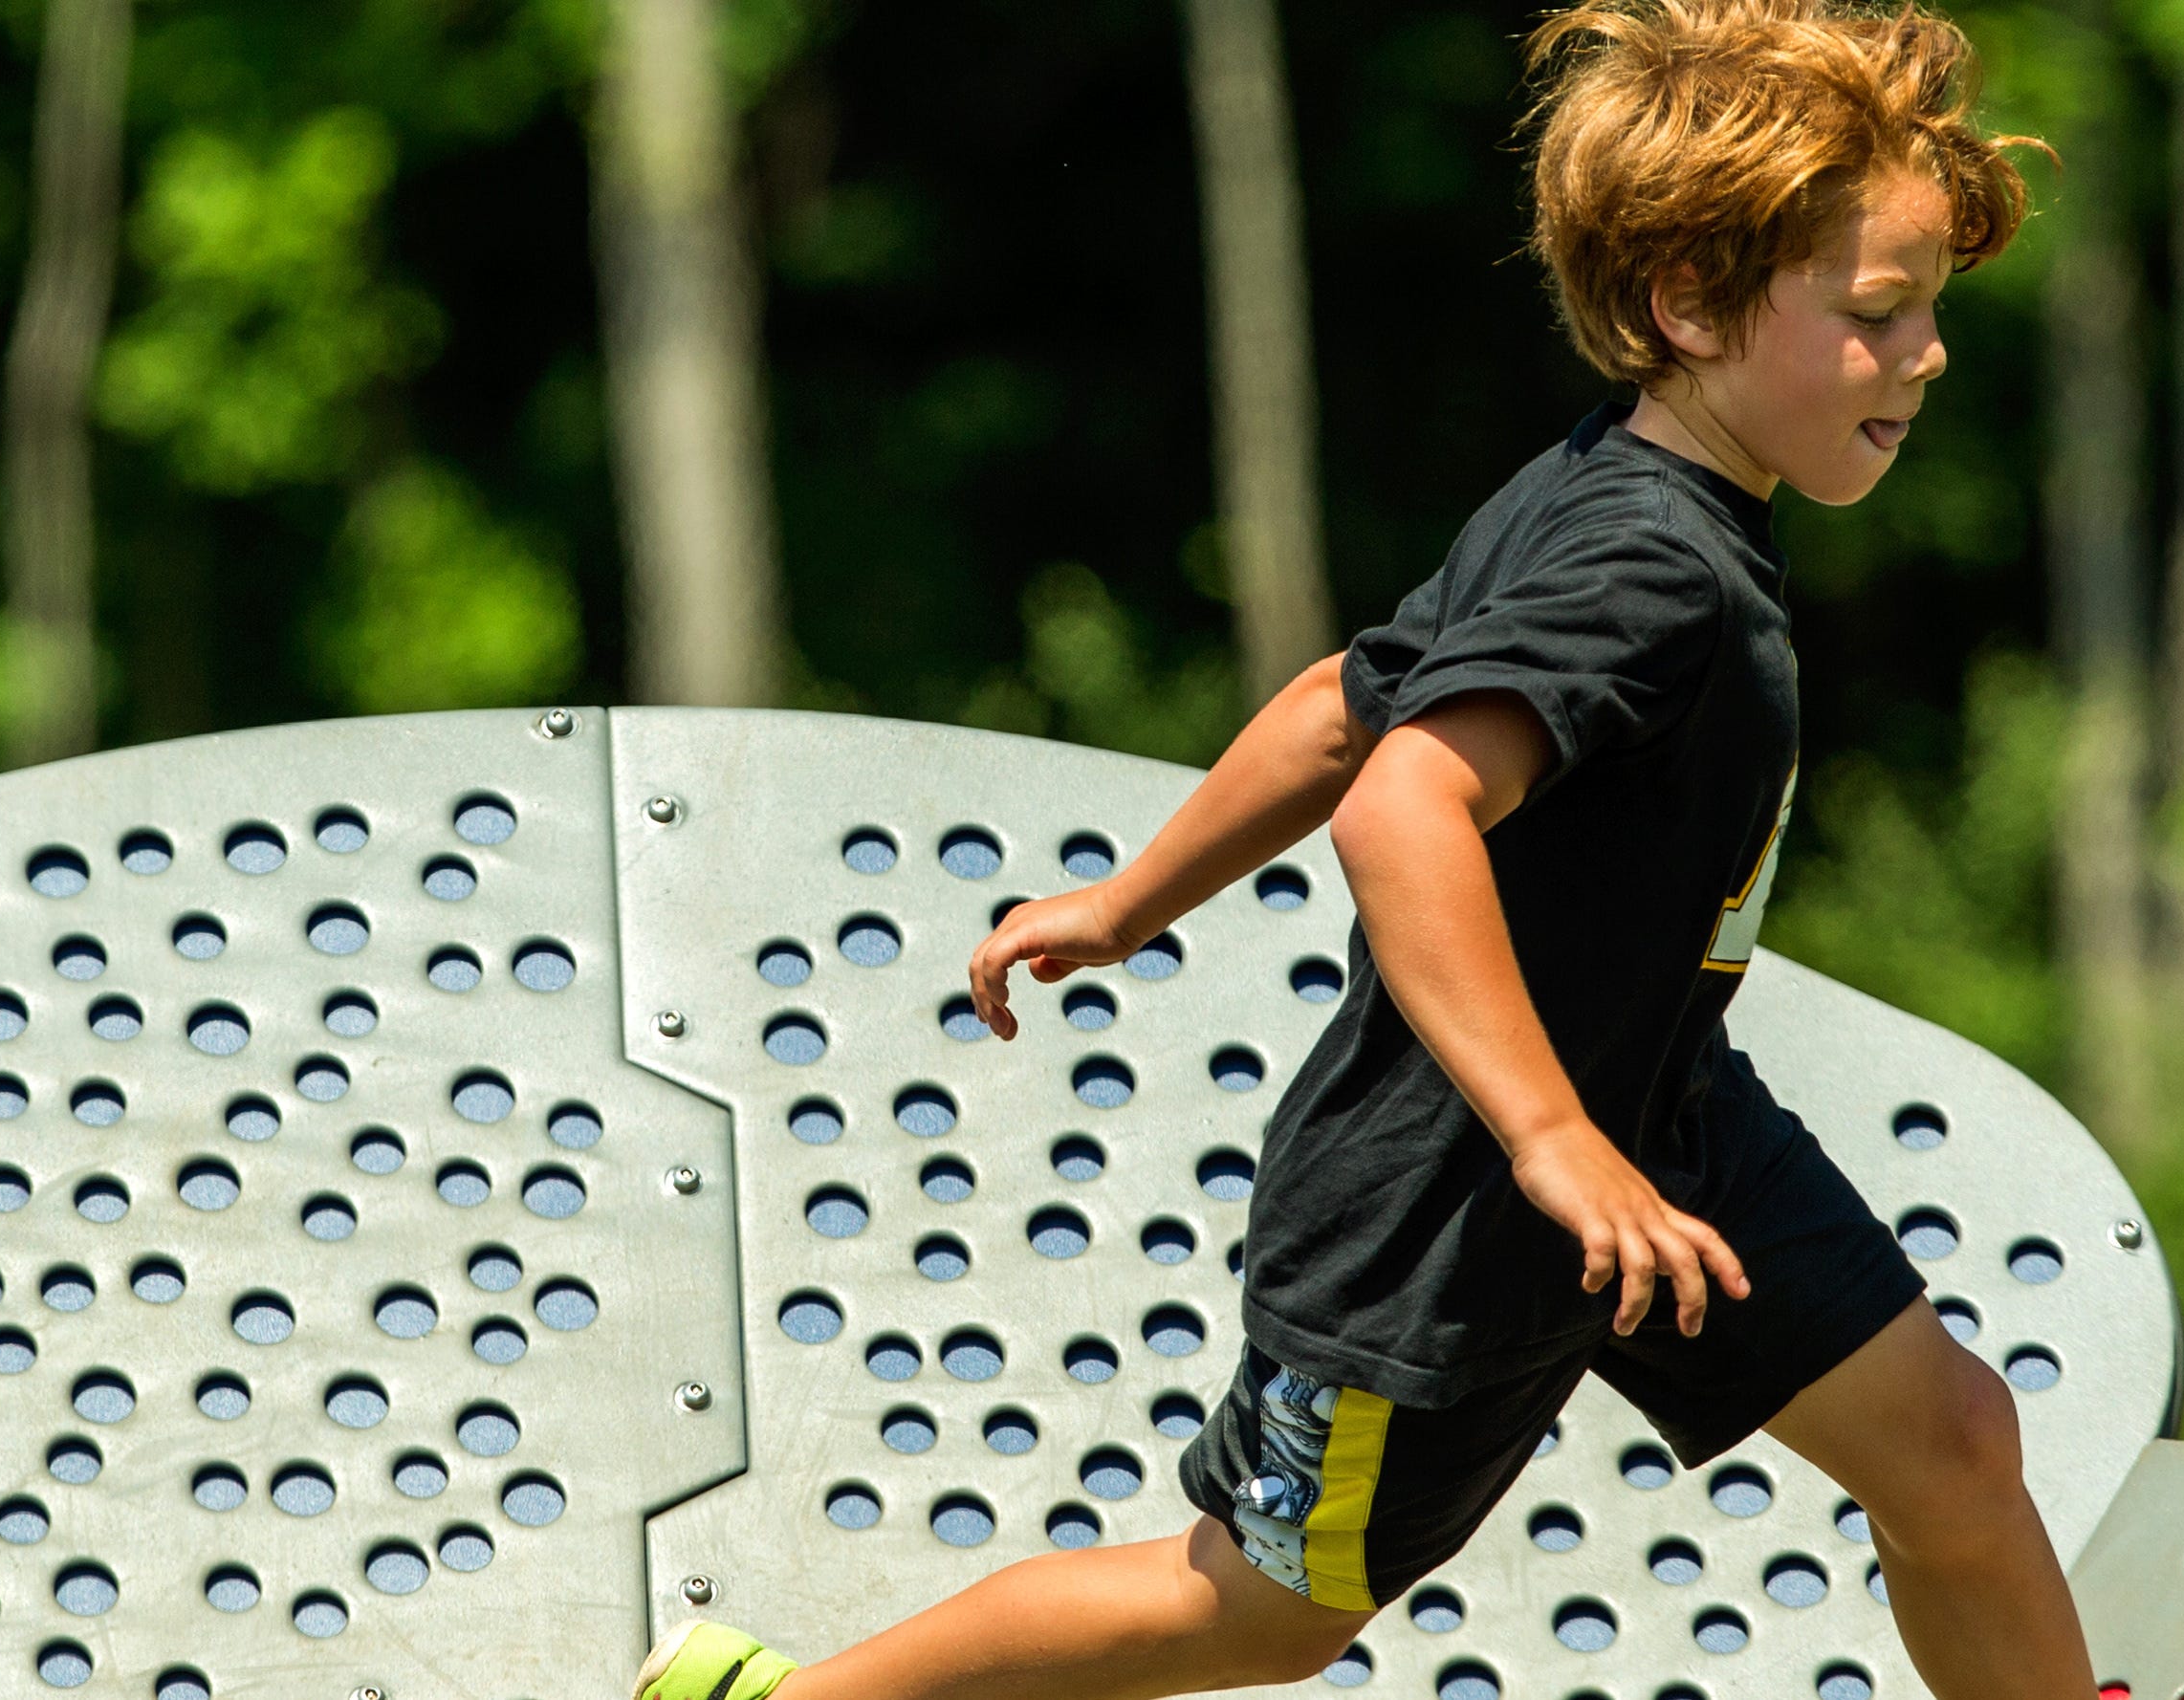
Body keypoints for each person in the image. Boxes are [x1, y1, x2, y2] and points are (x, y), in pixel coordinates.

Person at [637, 3, 2094, 1698]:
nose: (1925, 355)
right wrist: (1552, 1141)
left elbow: (1349, 696)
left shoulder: (1603, 490)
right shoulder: (1649, 568)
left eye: (1931, 310)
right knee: (1249, 1608)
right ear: (1688, 304)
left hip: (1662, 1138)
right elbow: (1401, 795)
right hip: (1455, 1206)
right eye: (1876, 313)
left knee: (1955, 1454)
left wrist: (1128, 899)